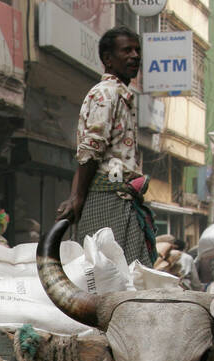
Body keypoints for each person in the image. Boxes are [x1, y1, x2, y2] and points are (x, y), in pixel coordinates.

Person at [55, 26, 155, 267]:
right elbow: (91, 149)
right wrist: (77, 196)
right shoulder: (106, 94)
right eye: (127, 50)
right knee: (113, 273)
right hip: (107, 198)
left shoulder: (122, 95)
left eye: (137, 50)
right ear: (108, 59)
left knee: (130, 273)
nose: (135, 56)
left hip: (120, 198)